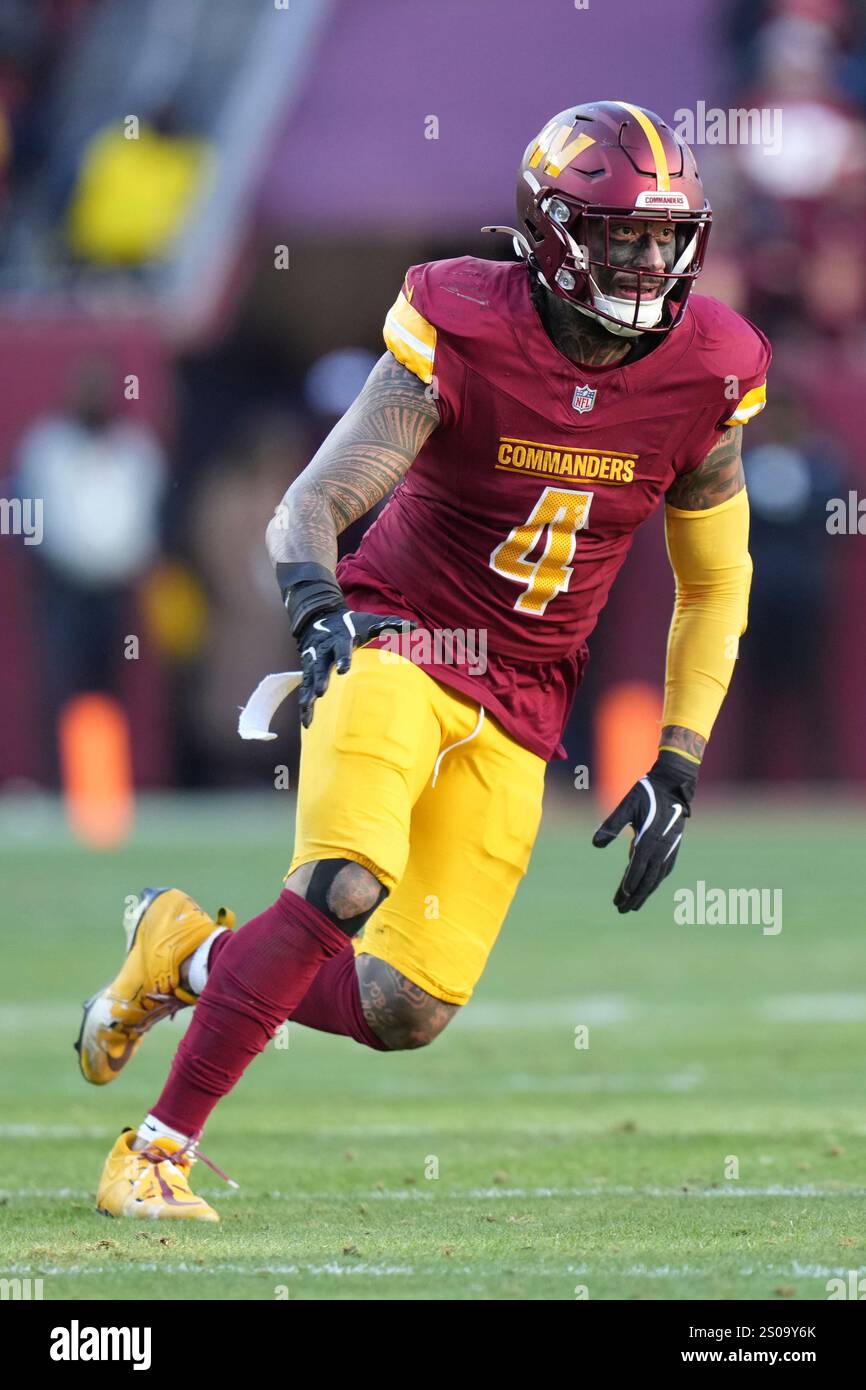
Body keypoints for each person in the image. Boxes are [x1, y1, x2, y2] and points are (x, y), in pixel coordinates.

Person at [77, 102, 770, 1221]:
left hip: (527, 691)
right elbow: (317, 499)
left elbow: (713, 581)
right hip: (400, 632)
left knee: (405, 1006)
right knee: (341, 883)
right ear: (551, 233)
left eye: (663, 237)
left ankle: (184, 953)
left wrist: (677, 758)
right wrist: (313, 603)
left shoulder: (708, 370)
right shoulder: (462, 319)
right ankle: (155, 1151)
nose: (647, 260)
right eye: (620, 235)